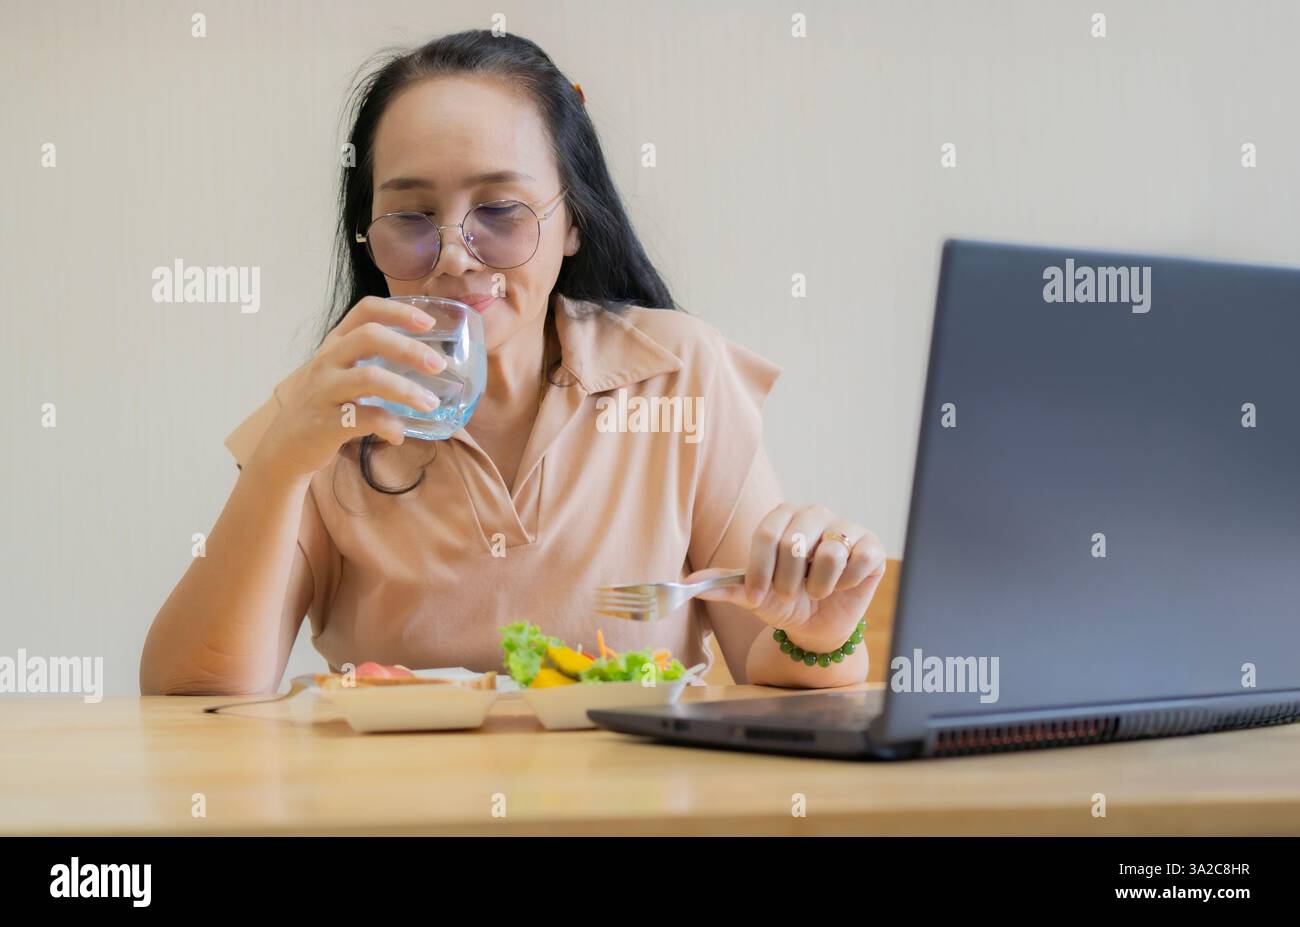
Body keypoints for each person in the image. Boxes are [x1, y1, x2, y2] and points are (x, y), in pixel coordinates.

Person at [140, 30, 886, 696]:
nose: (456, 255)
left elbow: (773, 660)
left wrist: (818, 628)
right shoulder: (326, 404)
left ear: (572, 224)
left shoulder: (677, 371)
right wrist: (280, 462)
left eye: (500, 210)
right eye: (410, 216)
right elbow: (190, 691)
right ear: (369, 235)